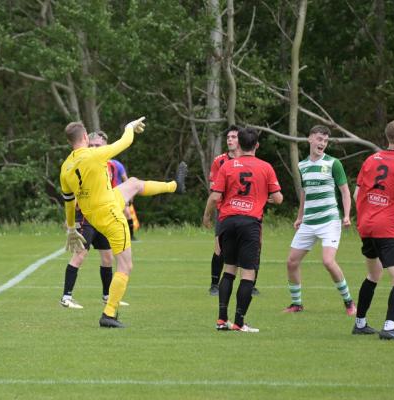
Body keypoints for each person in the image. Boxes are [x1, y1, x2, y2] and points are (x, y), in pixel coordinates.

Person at [60, 117, 187, 328]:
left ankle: (175, 185)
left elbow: (68, 201)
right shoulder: (95, 154)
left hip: (96, 210)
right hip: (109, 214)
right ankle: (108, 314)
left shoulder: (65, 167)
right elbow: (125, 142)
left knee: (133, 184)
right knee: (126, 265)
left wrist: (72, 227)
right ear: (84, 137)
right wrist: (129, 127)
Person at [203, 127, 282, 332]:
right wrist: (264, 197)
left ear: (239, 144)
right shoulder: (265, 167)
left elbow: (215, 196)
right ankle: (239, 322)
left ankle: (221, 320)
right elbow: (279, 198)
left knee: (229, 269)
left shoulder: (228, 166)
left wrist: (206, 216)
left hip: (228, 221)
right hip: (250, 223)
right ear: (256, 145)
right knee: (248, 274)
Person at [351, 119, 394, 341]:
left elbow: (356, 194)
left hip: (367, 226)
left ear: (387, 137)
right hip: (387, 228)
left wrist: (365, 215)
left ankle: (360, 324)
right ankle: (389, 326)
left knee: (373, 274)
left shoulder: (370, 160)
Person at [59, 130, 137, 310]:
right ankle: (66, 296)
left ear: (104, 145)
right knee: (80, 254)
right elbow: (72, 198)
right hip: (86, 216)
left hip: (105, 216)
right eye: (91, 144)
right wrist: (71, 224)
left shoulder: (111, 165)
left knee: (108, 257)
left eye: (97, 145)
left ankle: (107, 295)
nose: (94, 148)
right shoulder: (85, 160)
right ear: (85, 139)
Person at [283, 125, 356, 315]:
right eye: (319, 139)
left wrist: (347, 215)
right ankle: (296, 304)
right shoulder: (303, 165)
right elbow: (305, 194)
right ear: (310, 139)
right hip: (309, 222)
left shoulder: (333, 163)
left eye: (325, 141)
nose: (322, 143)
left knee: (328, 261)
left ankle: (349, 302)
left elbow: (345, 192)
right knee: (291, 262)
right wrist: (300, 217)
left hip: (329, 221)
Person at [208, 125, 260, 297]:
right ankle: (214, 284)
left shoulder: (253, 161)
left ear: (242, 140)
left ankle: (251, 285)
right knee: (220, 249)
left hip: (252, 213)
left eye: (234, 137)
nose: (230, 140)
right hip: (226, 213)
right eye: (228, 137)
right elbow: (213, 189)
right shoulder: (220, 161)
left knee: (255, 248)